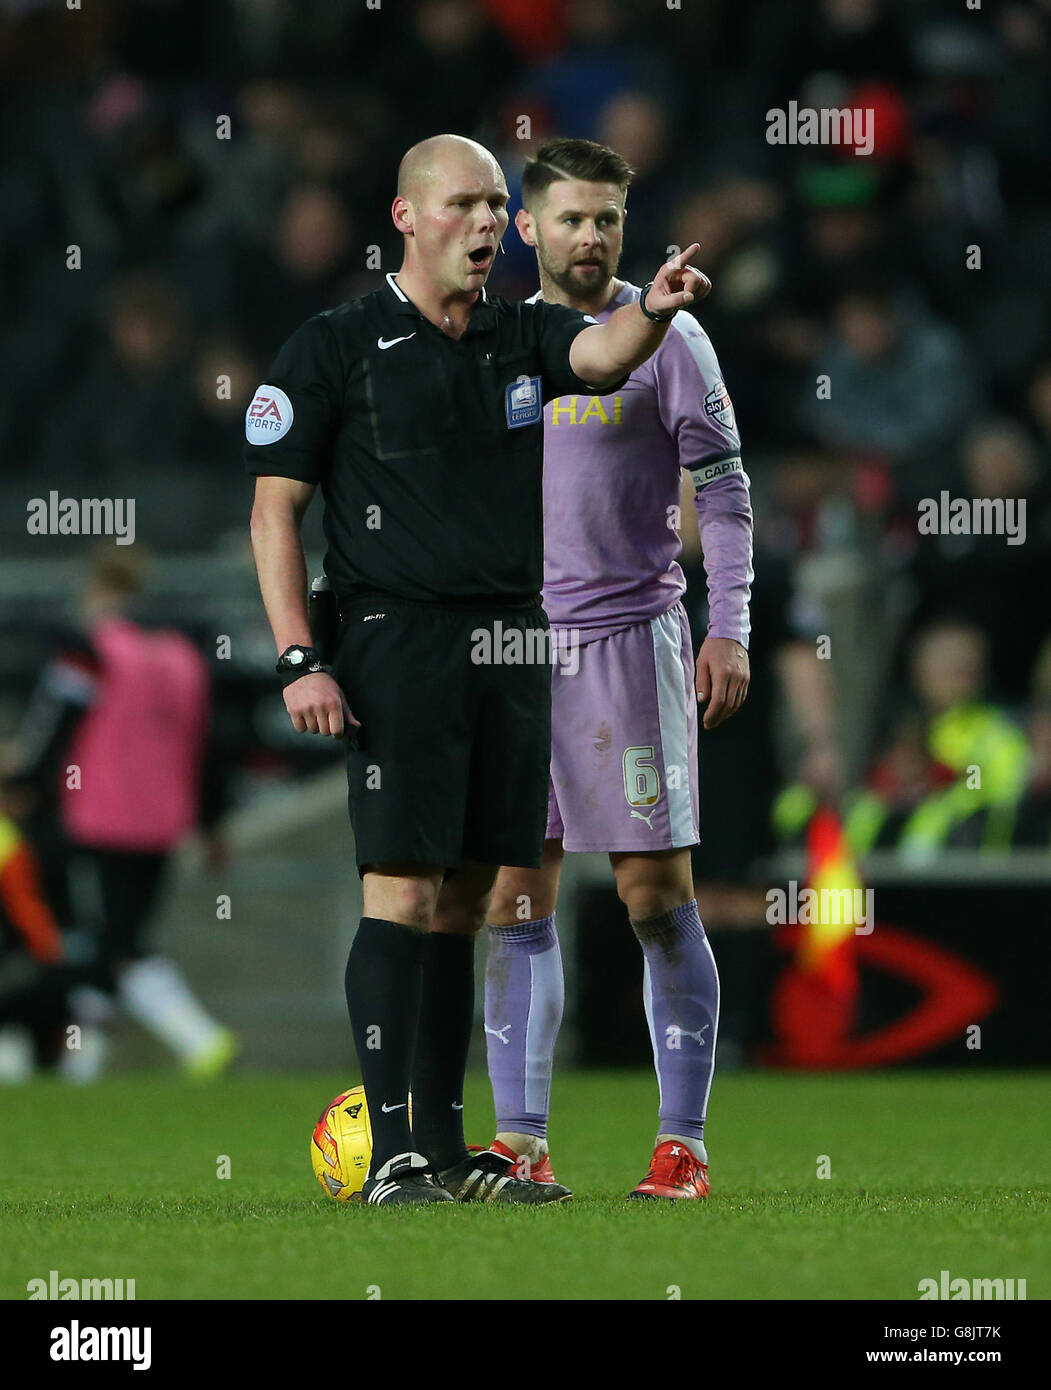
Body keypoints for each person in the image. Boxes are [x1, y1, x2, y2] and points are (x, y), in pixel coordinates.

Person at [245, 132, 709, 1206]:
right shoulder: (336, 345)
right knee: (402, 890)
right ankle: (393, 1145)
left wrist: (659, 308)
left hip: (511, 642)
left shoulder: (522, 334)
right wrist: (298, 658)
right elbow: (275, 510)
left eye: (500, 204)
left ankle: (450, 1150)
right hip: (393, 639)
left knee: (469, 901)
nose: (490, 223)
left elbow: (598, 360)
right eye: (466, 204)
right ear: (406, 218)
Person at [471, 138, 752, 1200]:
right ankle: (520, 1143)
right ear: (527, 228)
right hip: (508, 654)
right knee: (513, 895)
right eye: (572, 218)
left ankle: (681, 1143)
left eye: (608, 219)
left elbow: (722, 491)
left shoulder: (672, 337)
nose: (590, 237)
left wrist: (727, 626)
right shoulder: (489, 336)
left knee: (651, 894)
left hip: (629, 646)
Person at [7, 547, 237, 1080]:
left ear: (94, 590)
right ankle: (83, 1062)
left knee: (100, 942)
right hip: (162, 821)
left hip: (94, 818)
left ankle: (197, 1040)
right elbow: (210, 746)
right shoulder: (186, 655)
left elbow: (53, 725)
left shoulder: (88, 649)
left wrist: (25, 786)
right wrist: (212, 822)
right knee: (123, 938)